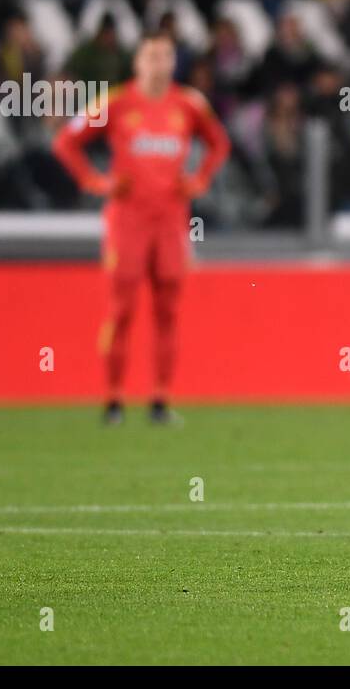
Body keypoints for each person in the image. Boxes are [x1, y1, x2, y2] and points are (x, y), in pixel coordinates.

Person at [53, 32, 230, 424]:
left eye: (166, 55)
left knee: (167, 311)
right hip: (127, 221)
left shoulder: (189, 104)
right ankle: (114, 399)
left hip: (170, 222)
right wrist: (95, 182)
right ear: (138, 62)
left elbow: (219, 144)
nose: (159, 63)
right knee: (121, 310)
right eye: (151, 55)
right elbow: (67, 142)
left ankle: (160, 400)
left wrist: (200, 179)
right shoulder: (116, 102)